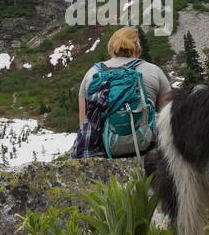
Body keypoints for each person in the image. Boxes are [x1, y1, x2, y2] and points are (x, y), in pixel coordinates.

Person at [72, 26, 173, 158]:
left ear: (112, 46)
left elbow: (84, 121)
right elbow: (167, 119)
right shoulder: (154, 71)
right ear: (137, 47)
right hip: (148, 148)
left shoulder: (92, 73)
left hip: (106, 149)